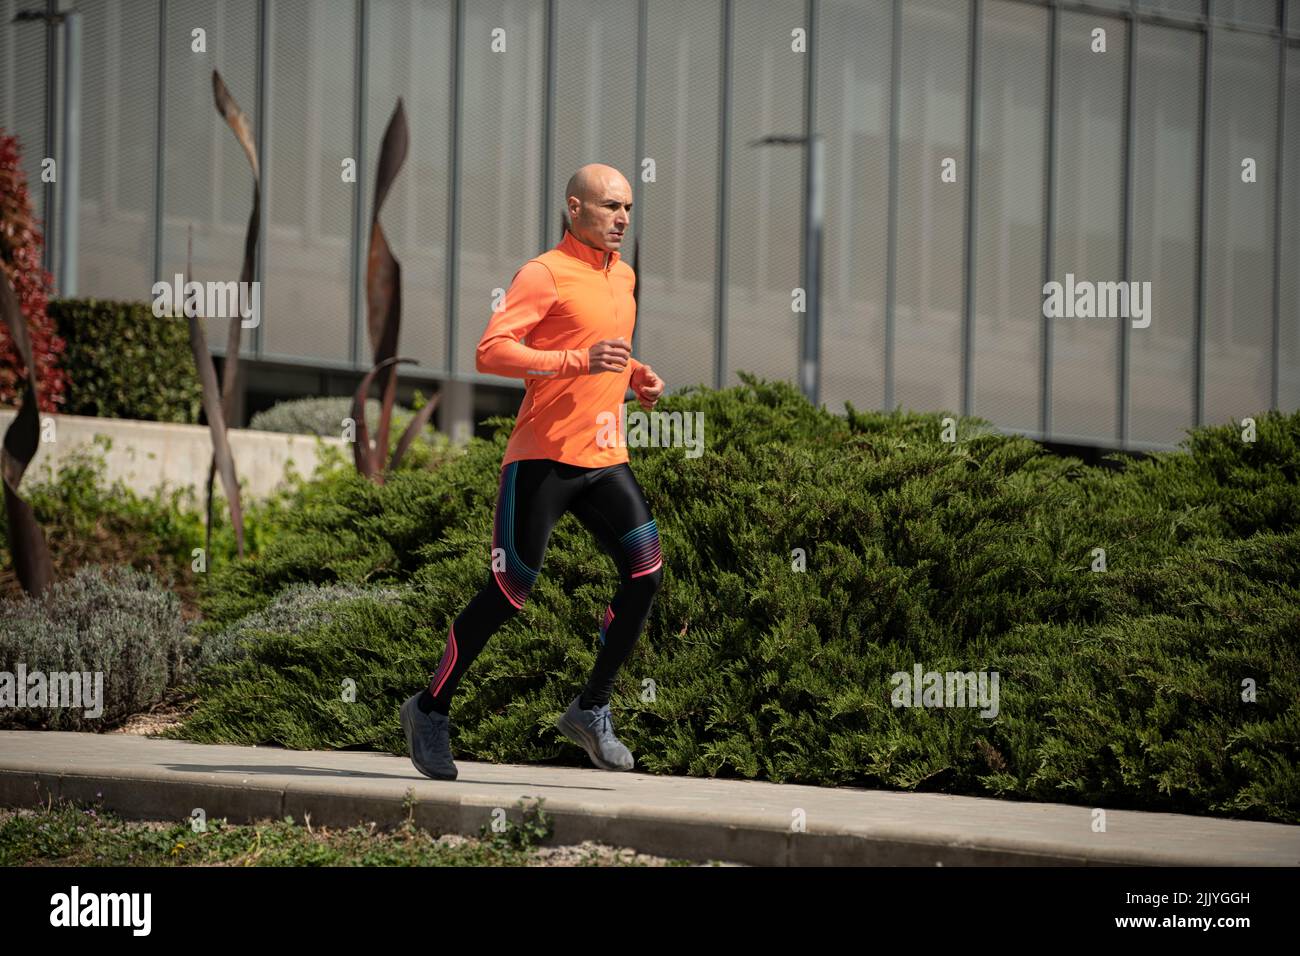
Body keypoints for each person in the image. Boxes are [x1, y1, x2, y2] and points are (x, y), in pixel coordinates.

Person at [401, 163, 666, 780]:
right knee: (509, 592)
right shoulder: (543, 273)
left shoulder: (624, 276)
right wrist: (577, 360)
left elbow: (607, 346)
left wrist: (636, 377)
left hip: (605, 459)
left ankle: (591, 710)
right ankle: (430, 711)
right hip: (542, 459)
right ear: (575, 208)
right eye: (609, 207)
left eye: (627, 207)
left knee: (646, 573)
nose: (622, 218)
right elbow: (491, 349)